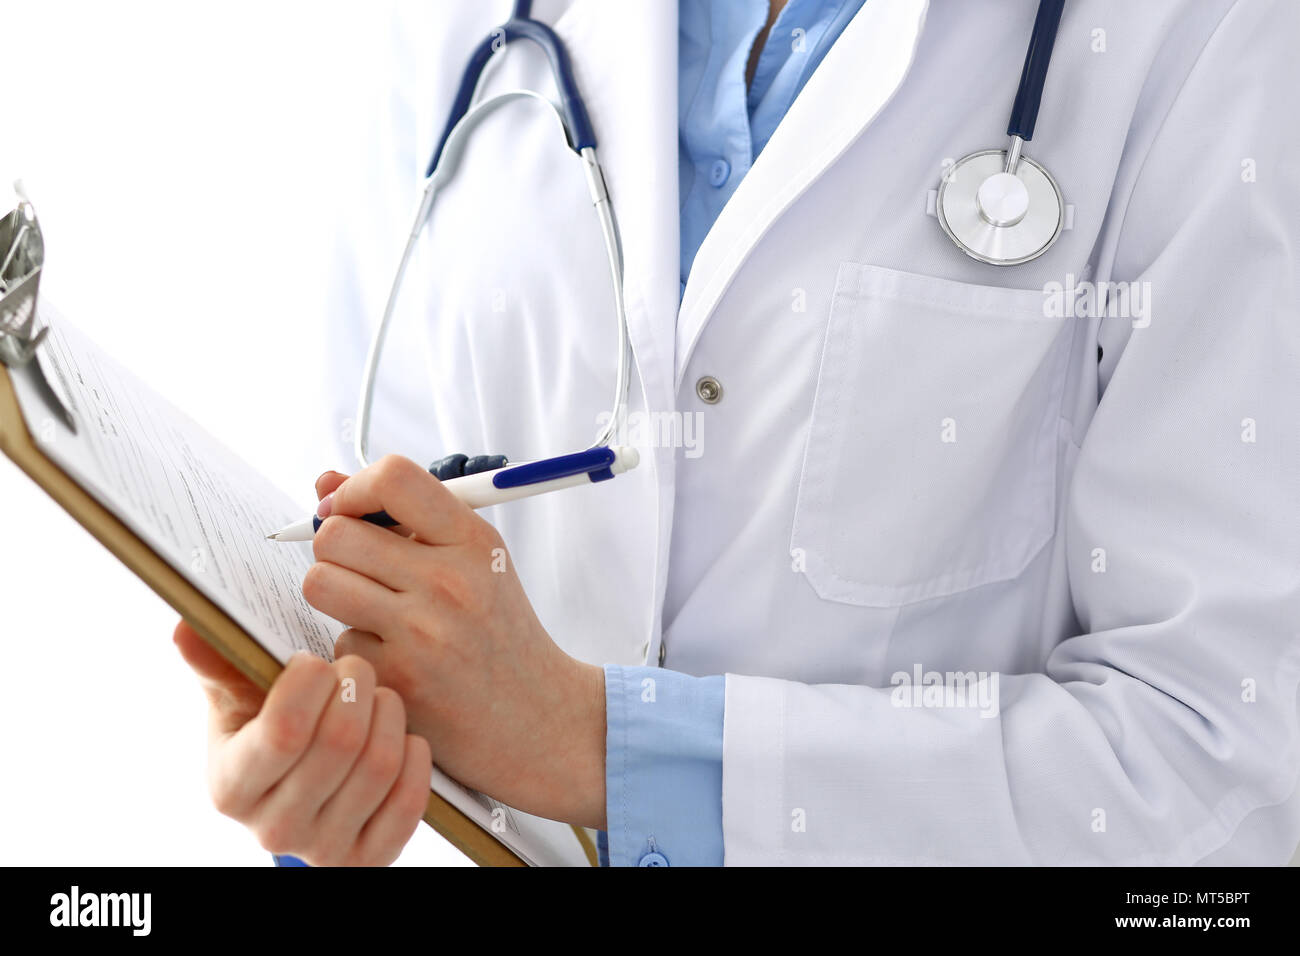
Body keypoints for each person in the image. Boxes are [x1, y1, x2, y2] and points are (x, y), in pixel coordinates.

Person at [175, 0, 1300, 865]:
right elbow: (375, 498)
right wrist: (328, 734)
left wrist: (601, 745)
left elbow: (1223, 767)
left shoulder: (1208, 40)